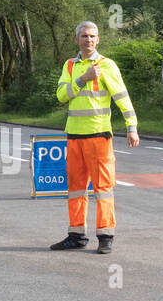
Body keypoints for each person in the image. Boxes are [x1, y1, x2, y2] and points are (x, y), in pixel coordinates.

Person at [50, 21, 139, 254]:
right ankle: (76, 236)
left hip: (99, 135)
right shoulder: (69, 66)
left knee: (103, 189)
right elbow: (61, 96)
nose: (88, 40)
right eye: (84, 36)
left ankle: (105, 236)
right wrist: (82, 79)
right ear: (76, 39)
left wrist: (132, 126)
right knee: (76, 189)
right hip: (75, 135)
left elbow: (122, 97)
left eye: (92, 36)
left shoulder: (106, 65)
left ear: (98, 40)